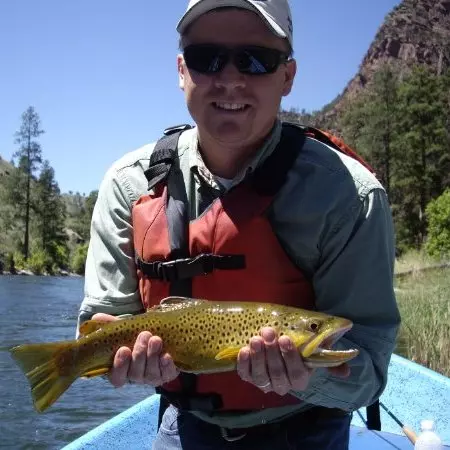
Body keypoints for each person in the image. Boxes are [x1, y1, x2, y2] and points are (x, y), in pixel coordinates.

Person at [77, 0, 401, 448]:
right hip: (184, 423)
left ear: (287, 76)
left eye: (256, 60)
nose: (230, 78)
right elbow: (99, 325)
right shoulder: (127, 185)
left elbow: (368, 375)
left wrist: (305, 377)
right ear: (180, 70)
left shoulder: (350, 196)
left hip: (308, 427)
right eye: (205, 58)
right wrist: (121, 361)